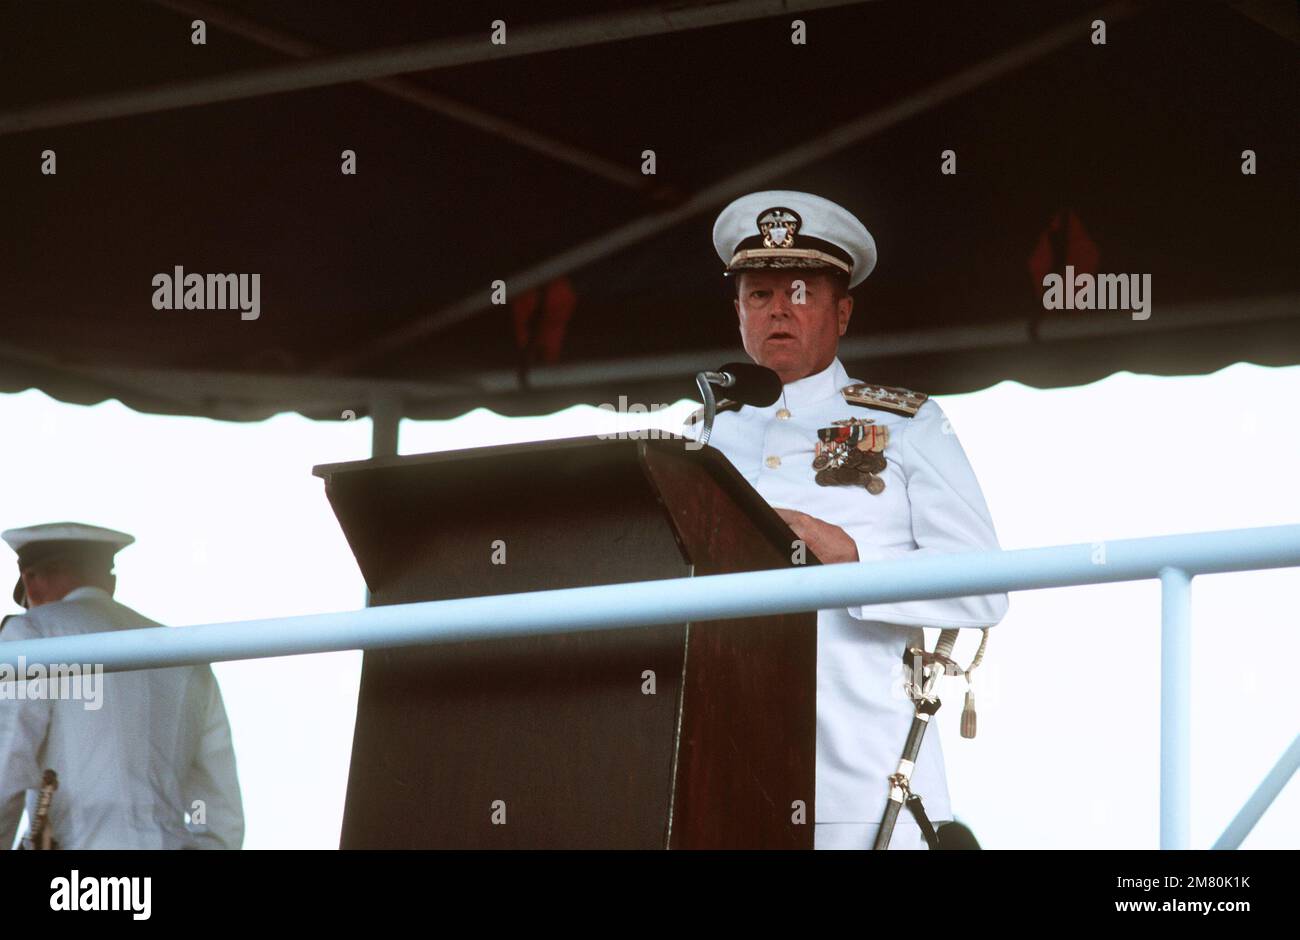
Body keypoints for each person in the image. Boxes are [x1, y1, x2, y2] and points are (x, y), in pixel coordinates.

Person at [688, 191, 1010, 850]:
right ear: (738, 312)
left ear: (843, 311)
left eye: (799, 291)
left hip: (861, 781)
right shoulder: (706, 435)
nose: (778, 309)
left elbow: (984, 587)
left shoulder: (907, 420)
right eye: (758, 294)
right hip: (715, 769)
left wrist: (854, 561)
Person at [0, 522, 243, 849]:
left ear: (31, 581)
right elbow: (216, 813)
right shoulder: (187, 657)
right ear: (109, 581)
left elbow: (6, 768)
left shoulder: (30, 633)